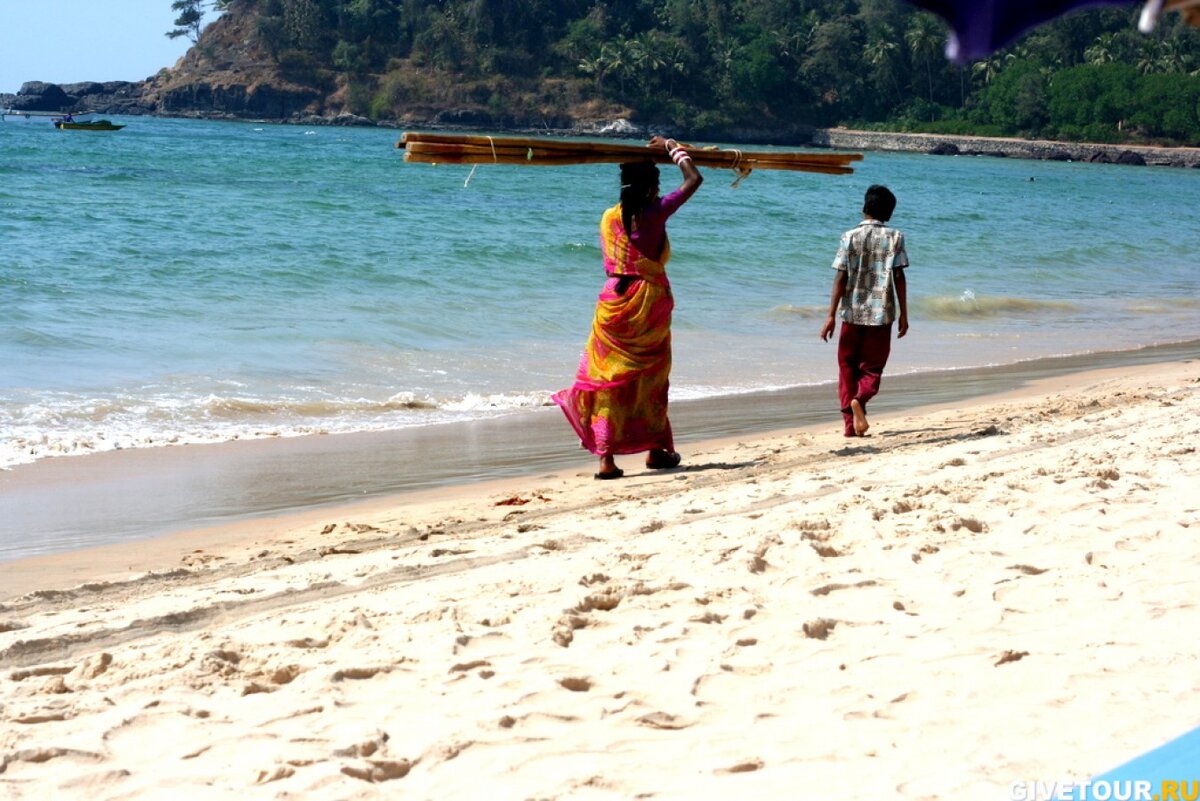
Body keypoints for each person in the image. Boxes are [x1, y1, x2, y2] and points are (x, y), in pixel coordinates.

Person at [553, 135, 703, 479]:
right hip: (647, 302)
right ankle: (655, 450)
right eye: (657, 183)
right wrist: (673, 147)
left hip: (613, 301)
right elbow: (694, 179)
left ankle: (605, 458)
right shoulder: (655, 212)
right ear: (651, 187)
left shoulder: (609, 218)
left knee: (607, 377)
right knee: (650, 377)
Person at [819, 184, 909, 437]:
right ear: (889, 213)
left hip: (851, 313)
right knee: (872, 369)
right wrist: (904, 314)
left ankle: (850, 426)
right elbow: (899, 277)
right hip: (881, 314)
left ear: (864, 208)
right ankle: (861, 399)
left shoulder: (849, 237)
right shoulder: (895, 237)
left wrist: (830, 316)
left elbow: (840, 277)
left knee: (847, 367)